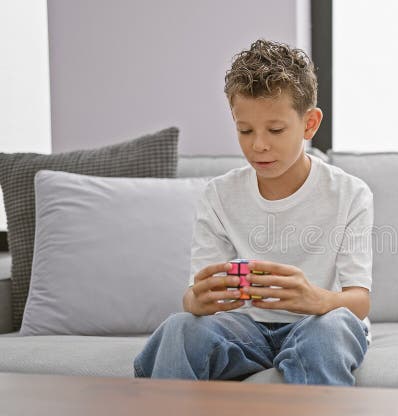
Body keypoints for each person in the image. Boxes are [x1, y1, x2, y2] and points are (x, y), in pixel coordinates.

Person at [133, 39, 373, 385]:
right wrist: (196, 300)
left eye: (275, 130)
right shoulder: (219, 195)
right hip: (246, 328)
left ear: (309, 124)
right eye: (245, 130)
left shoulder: (350, 194)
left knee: (330, 331)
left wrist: (313, 298)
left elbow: (358, 302)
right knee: (179, 329)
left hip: (319, 320)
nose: (258, 144)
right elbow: (194, 297)